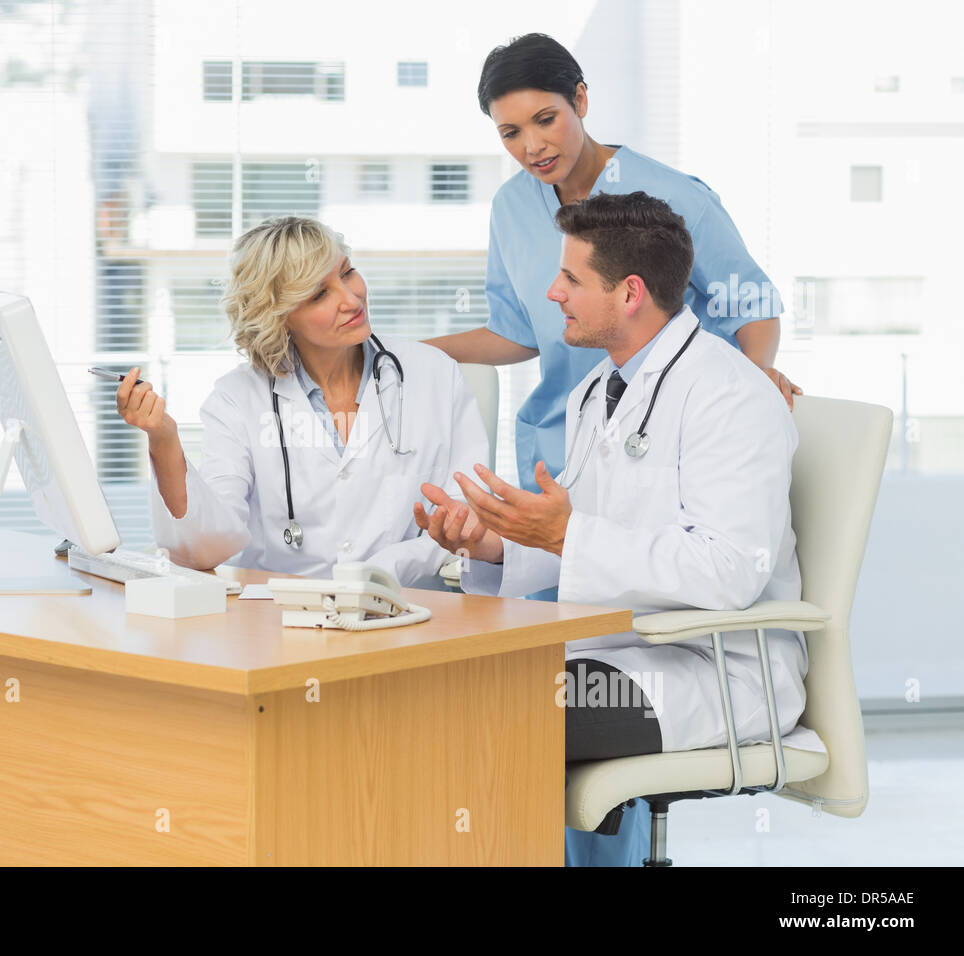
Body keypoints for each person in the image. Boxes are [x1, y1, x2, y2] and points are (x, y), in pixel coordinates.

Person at [416, 192, 818, 861]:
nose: (552, 292)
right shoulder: (598, 391)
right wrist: (492, 541)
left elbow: (727, 573)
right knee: (423, 694)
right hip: (628, 655)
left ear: (630, 293)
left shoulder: (730, 395)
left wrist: (565, 536)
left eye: (571, 278)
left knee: (477, 718)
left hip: (717, 673)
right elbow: (576, 536)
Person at [426, 32, 802, 491]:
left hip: (661, 440)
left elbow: (753, 304)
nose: (532, 146)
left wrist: (756, 381)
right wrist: (406, 352)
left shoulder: (676, 197)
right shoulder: (510, 207)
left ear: (580, 100)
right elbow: (517, 333)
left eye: (546, 120)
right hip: (559, 448)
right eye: (511, 133)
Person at [115, 215, 489, 586]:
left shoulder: (434, 374)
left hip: (409, 609)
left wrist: (388, 567)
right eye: (319, 294)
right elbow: (206, 547)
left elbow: (469, 514)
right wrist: (163, 440)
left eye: (347, 272)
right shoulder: (237, 399)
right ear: (280, 316)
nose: (351, 298)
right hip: (278, 619)